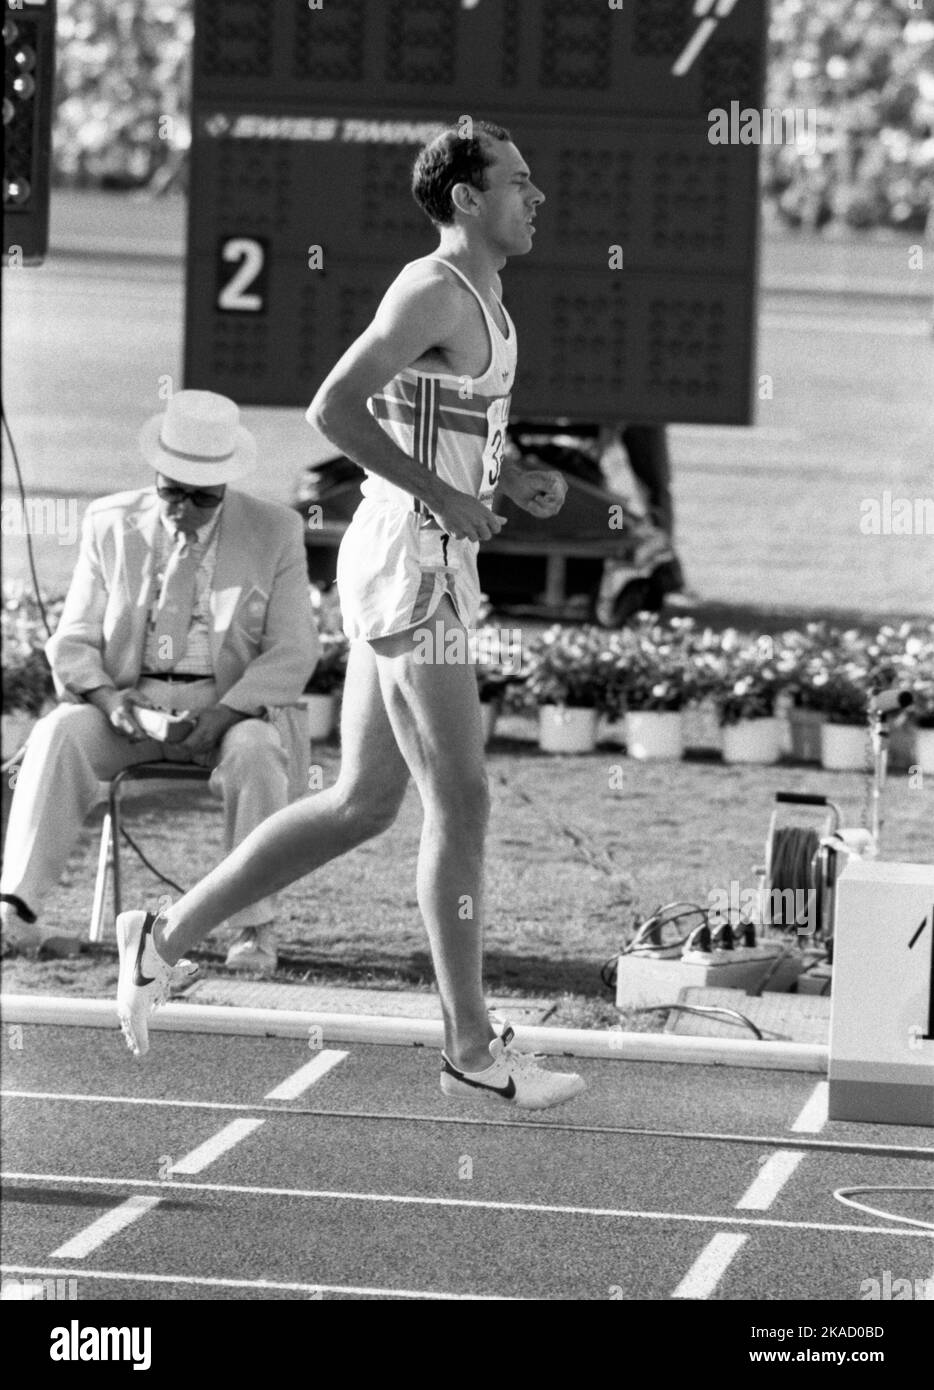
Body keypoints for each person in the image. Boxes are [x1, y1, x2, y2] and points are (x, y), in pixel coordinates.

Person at [115, 119, 585, 1110]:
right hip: (411, 559)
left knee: (366, 803)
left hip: (424, 553)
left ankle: (163, 935)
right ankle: (466, 1042)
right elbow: (334, 408)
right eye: (519, 180)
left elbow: (448, 430)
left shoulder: (492, 300)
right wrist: (444, 498)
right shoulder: (430, 288)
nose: (536, 198)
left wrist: (511, 479)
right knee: (462, 798)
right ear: (464, 197)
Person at [0, 390, 318, 974]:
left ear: (224, 486)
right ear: (156, 475)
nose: (183, 510)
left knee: (255, 753)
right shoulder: (109, 521)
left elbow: (294, 649)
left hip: (230, 711)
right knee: (57, 732)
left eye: (202, 499)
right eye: (171, 492)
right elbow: (73, 637)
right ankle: (15, 911)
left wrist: (224, 715)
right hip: (130, 706)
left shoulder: (276, 529)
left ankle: (254, 930)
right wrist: (108, 698)